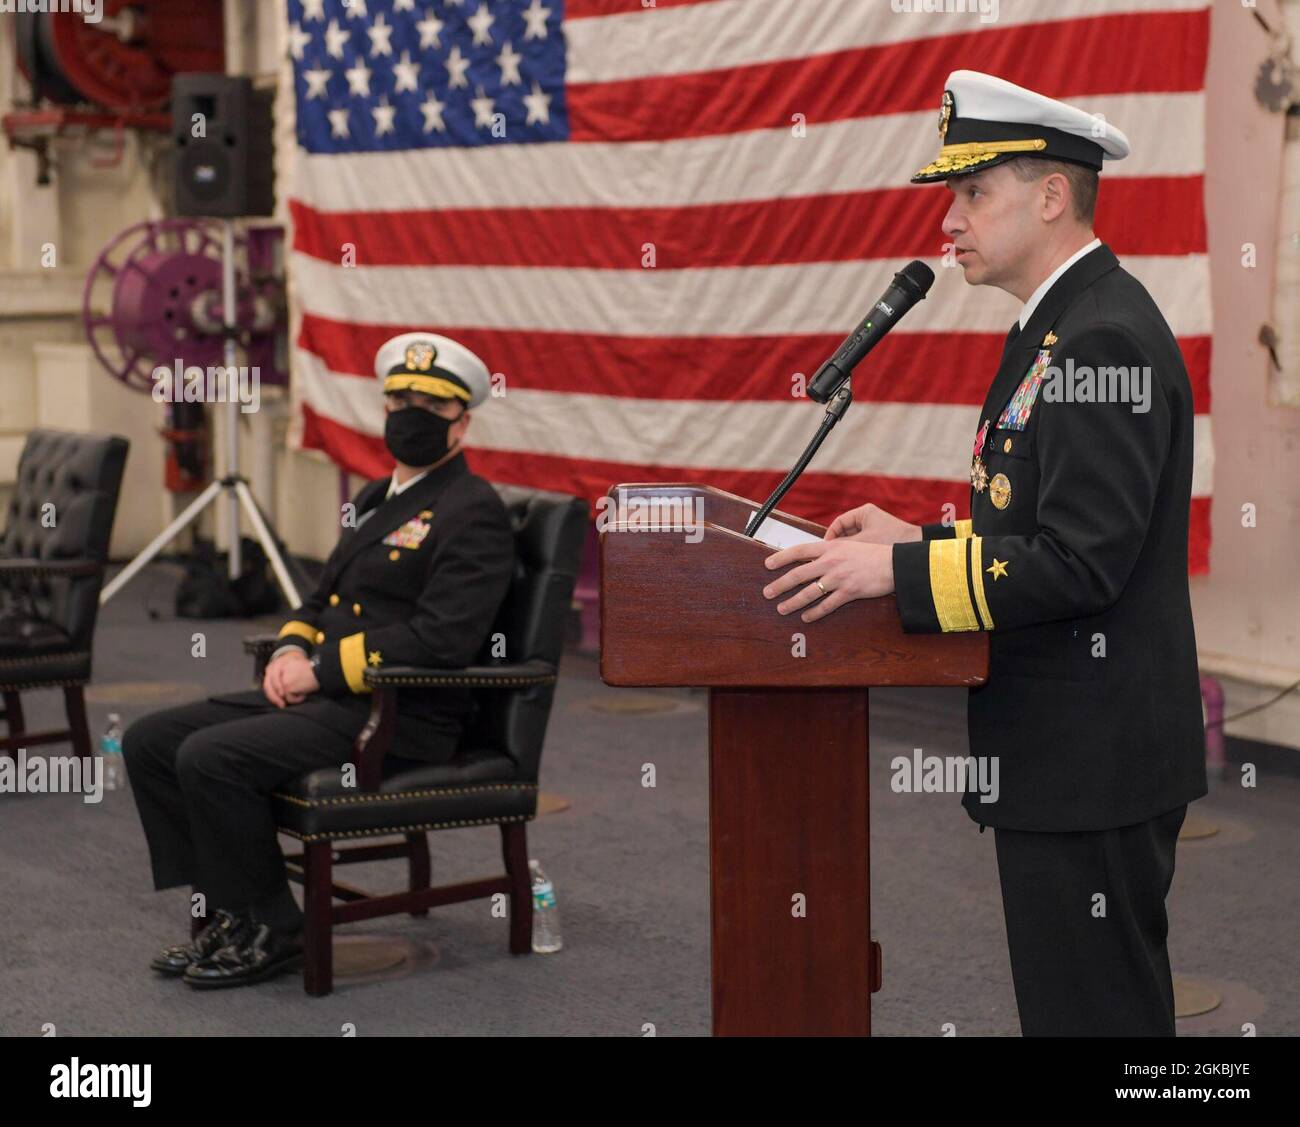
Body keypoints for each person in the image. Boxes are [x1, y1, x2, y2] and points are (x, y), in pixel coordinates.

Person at [760, 71, 1206, 1036]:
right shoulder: (1058, 326)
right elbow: (1035, 531)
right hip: (1065, 743)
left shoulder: (1099, 341)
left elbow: (1084, 565)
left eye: (974, 193)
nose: (949, 223)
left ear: (1052, 196)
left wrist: (898, 574)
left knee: (1100, 1017)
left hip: (1094, 755)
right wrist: (917, 540)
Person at [123, 332, 515, 989]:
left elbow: (443, 637)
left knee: (210, 757)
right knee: (150, 740)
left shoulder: (472, 510)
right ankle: (233, 913)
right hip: (330, 696)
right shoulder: (372, 499)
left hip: (395, 713)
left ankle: (276, 926)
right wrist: (291, 646)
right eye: (398, 397)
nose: (408, 411)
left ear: (462, 420)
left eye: (428, 402)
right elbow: (319, 594)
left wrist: (323, 669)